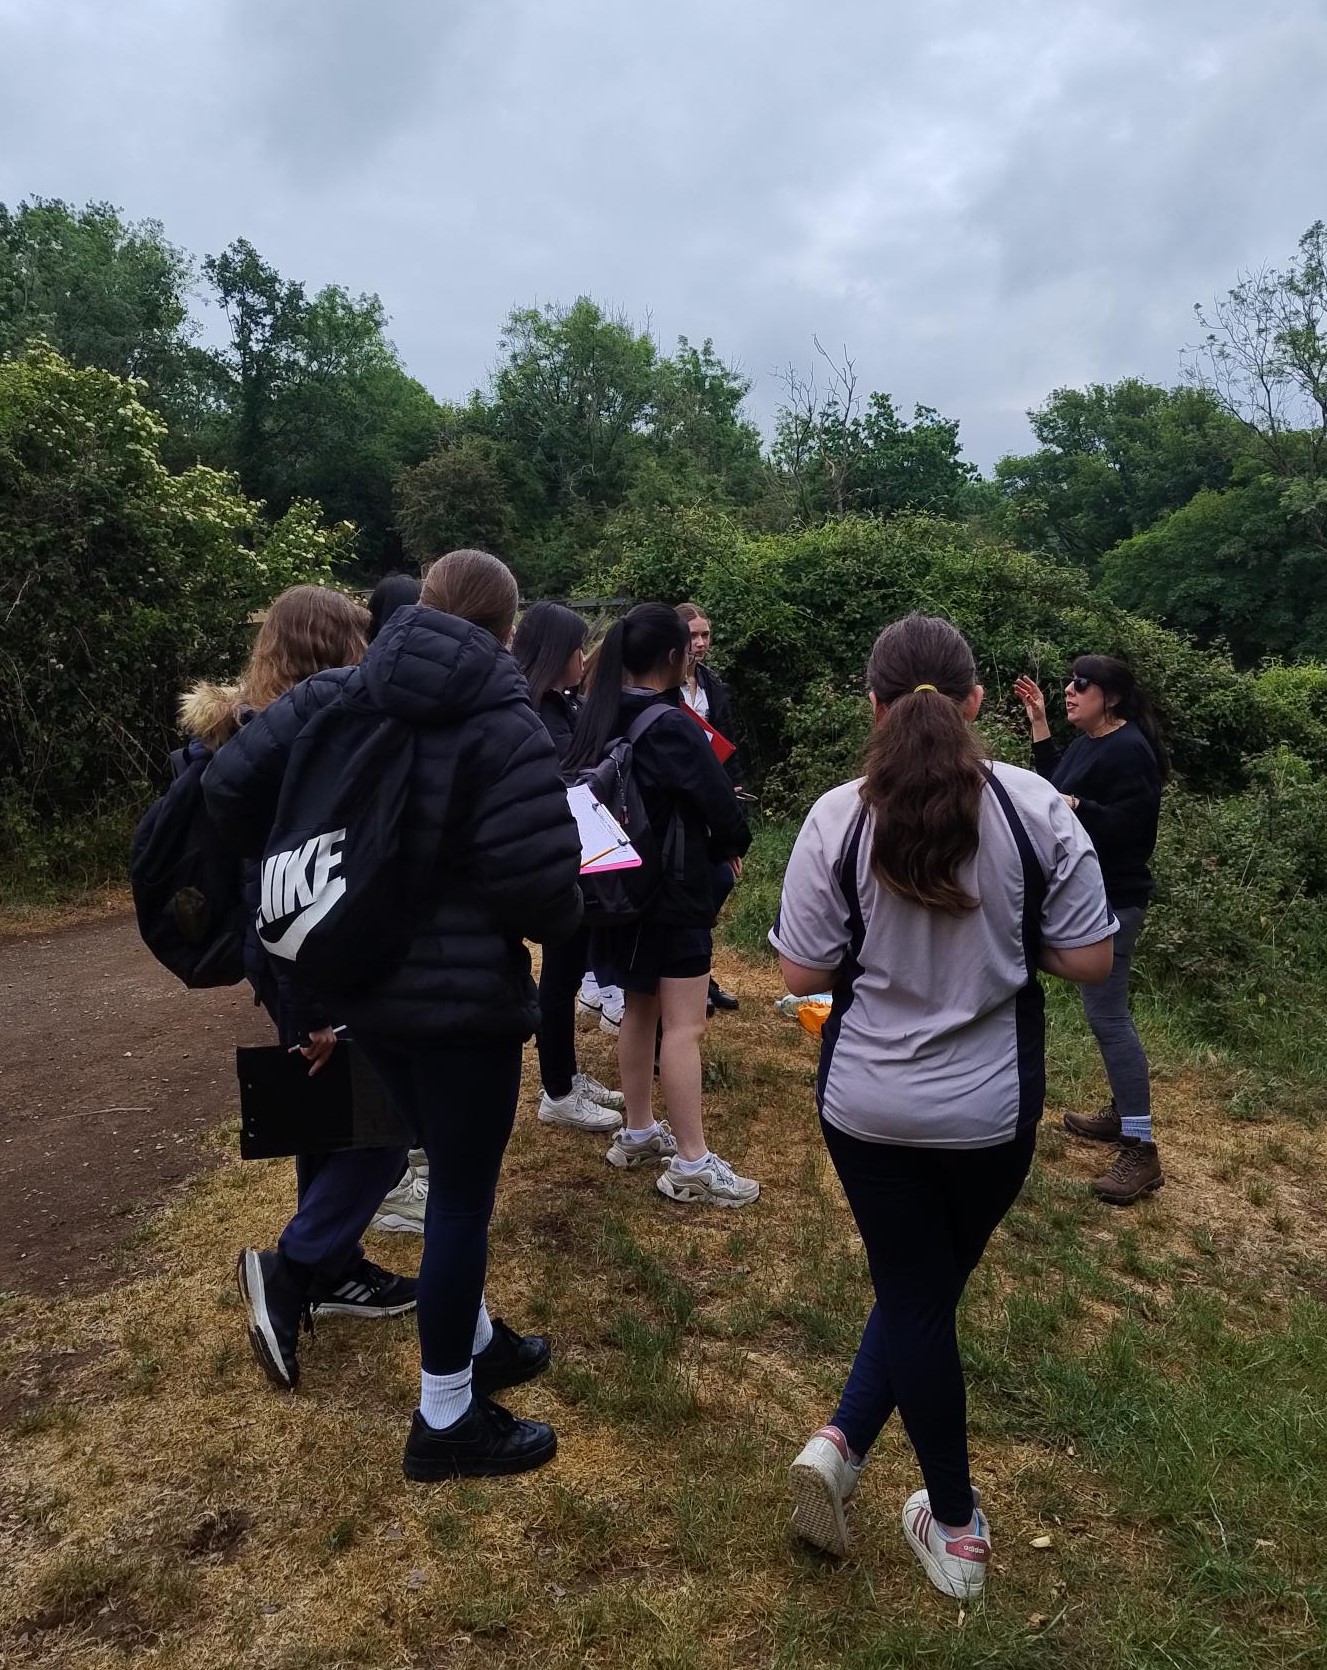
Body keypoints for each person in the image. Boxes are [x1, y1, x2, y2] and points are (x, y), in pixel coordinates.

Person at [205, 549, 583, 1479]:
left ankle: (480, 1337)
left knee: (447, 1177)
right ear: (506, 627)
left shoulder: (343, 691)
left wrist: (311, 852)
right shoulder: (504, 719)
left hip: (362, 985)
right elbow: (539, 892)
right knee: (460, 1199)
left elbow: (224, 786)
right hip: (463, 1007)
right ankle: (446, 1415)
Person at [773, 614, 1114, 1598]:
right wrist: (1012, 946)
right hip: (990, 1111)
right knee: (925, 1289)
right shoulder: (1037, 805)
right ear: (974, 703)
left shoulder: (837, 815)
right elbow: (1089, 956)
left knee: (914, 1286)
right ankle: (953, 1527)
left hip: (865, 1103)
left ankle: (843, 1441)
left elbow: (800, 969)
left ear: (871, 704)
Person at [180, 585, 419, 1391]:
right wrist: (313, 1011)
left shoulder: (257, 728)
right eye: (356, 638)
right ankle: (292, 1268)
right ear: (329, 648)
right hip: (306, 966)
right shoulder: (289, 743)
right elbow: (274, 887)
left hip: (291, 964)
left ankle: (337, 1266)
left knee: (331, 1121)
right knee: (387, 1131)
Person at [565, 603, 756, 1207]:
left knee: (641, 1009)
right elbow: (720, 806)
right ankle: (692, 1163)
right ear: (675, 658)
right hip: (673, 893)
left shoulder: (598, 715)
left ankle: (639, 1129)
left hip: (621, 889)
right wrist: (731, 845)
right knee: (686, 1026)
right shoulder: (670, 724)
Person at [1013, 659, 1167, 1205]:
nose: (1069, 691)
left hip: (1116, 901)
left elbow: (1134, 830)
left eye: (1082, 685)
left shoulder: (1128, 751)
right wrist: (1040, 723)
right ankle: (1123, 1115)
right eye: (1069, 682)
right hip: (1090, 897)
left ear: (1113, 699)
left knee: (1109, 1017)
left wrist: (1081, 810)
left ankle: (1141, 1146)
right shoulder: (1091, 740)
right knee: (1104, 1015)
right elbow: (1053, 786)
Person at [511, 601, 624, 1133]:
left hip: (575, 855)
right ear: (557, 653)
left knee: (566, 967)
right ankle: (556, 1089)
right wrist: (614, 762)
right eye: (578, 647)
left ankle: (567, 1076)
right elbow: (571, 779)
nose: (584, 657)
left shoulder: (559, 702)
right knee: (558, 976)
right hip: (561, 858)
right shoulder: (536, 709)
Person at [676, 603, 743, 1015]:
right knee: (696, 887)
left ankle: (701, 975)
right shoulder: (660, 687)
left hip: (714, 801)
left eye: (705, 634)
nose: (700, 643)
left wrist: (734, 799)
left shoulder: (712, 686)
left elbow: (729, 747)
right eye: (693, 636)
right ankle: (690, 979)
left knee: (719, 882)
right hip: (679, 803)